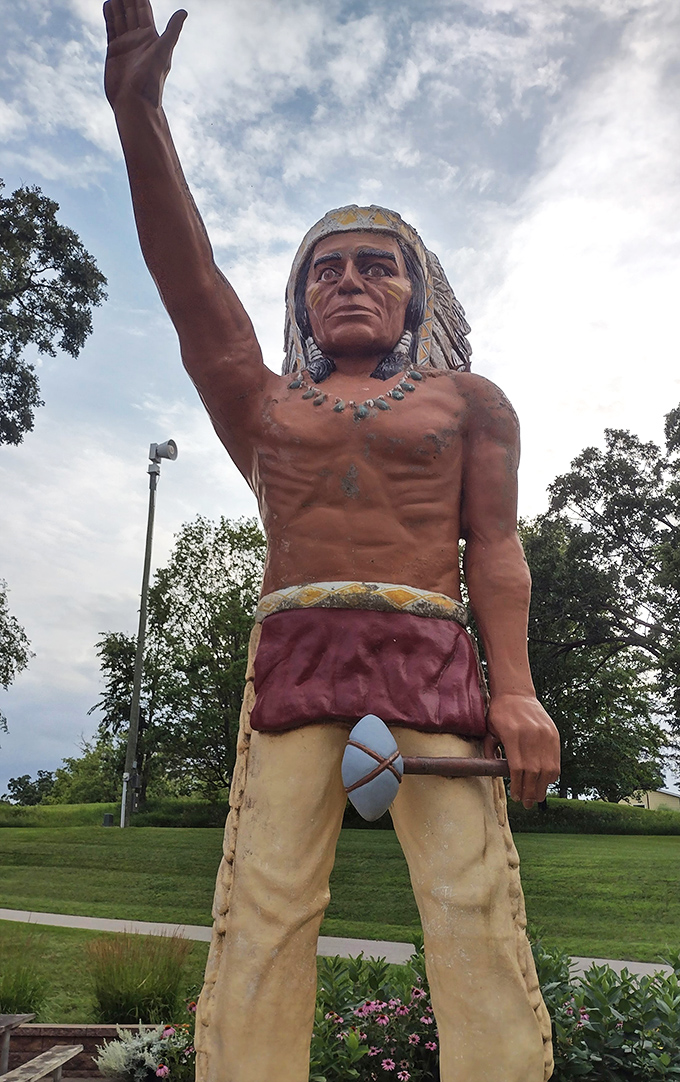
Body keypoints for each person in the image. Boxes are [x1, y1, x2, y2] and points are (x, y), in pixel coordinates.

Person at [104, 3, 561, 1081]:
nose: (348, 280)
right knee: (265, 903)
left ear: (415, 292)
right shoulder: (262, 402)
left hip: (430, 649)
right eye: (325, 269)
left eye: (374, 265)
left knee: (470, 900)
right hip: (295, 651)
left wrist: (517, 689)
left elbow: (496, 550)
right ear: (301, 302)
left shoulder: (470, 403)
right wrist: (138, 115)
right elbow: (190, 283)